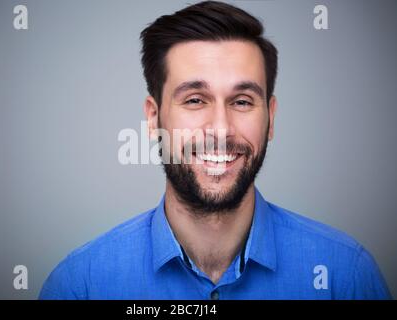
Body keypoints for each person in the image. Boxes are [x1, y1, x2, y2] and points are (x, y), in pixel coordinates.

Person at [39, 0, 391, 299]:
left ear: (270, 116)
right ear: (153, 117)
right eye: (194, 100)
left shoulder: (346, 277)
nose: (221, 129)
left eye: (241, 101)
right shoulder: (80, 286)